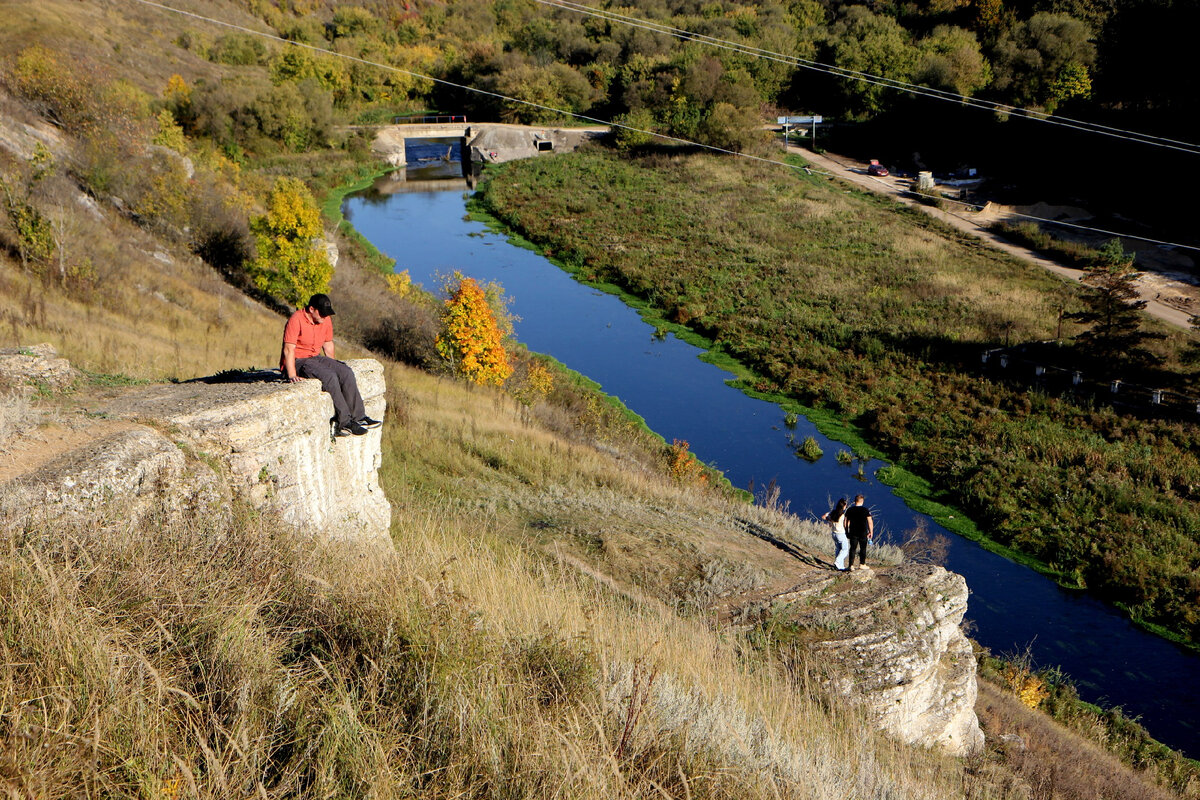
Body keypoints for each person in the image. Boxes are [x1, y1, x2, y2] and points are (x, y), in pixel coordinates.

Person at [280, 293, 382, 437]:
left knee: (345, 372)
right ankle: (344, 423)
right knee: (329, 377)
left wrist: (333, 365)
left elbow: (328, 345)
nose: (324, 316)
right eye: (321, 313)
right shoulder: (296, 319)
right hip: (298, 361)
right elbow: (289, 349)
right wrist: (291, 375)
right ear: (311, 309)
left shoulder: (325, 320)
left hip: (315, 357)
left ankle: (359, 417)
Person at [843, 494, 874, 571]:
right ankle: (862, 564)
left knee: (852, 548)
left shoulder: (850, 510)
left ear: (854, 501)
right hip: (863, 532)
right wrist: (871, 532)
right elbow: (870, 522)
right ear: (862, 501)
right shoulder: (866, 510)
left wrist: (846, 530)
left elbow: (846, 521)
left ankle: (851, 565)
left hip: (853, 532)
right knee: (863, 548)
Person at [822, 497, 850, 572]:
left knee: (838, 549)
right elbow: (846, 524)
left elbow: (824, 516)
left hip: (834, 533)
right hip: (841, 534)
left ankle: (840, 567)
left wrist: (830, 520)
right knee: (845, 550)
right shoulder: (842, 515)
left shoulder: (833, 513)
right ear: (843, 506)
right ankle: (838, 561)